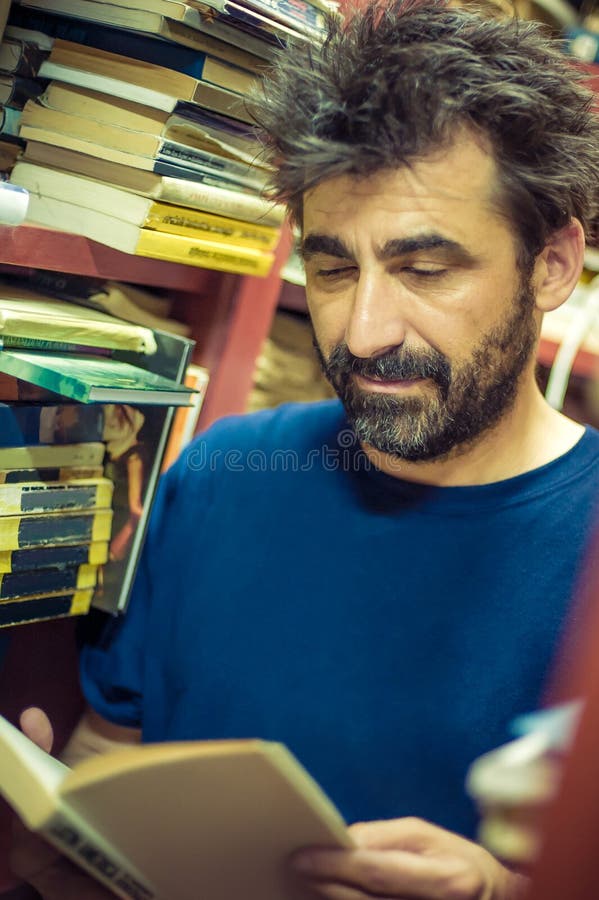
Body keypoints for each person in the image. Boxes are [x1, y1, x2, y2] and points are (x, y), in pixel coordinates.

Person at [13, 1, 599, 897]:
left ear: (551, 265)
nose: (363, 333)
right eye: (330, 268)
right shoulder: (221, 475)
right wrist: (58, 841)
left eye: (425, 269)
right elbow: (111, 753)